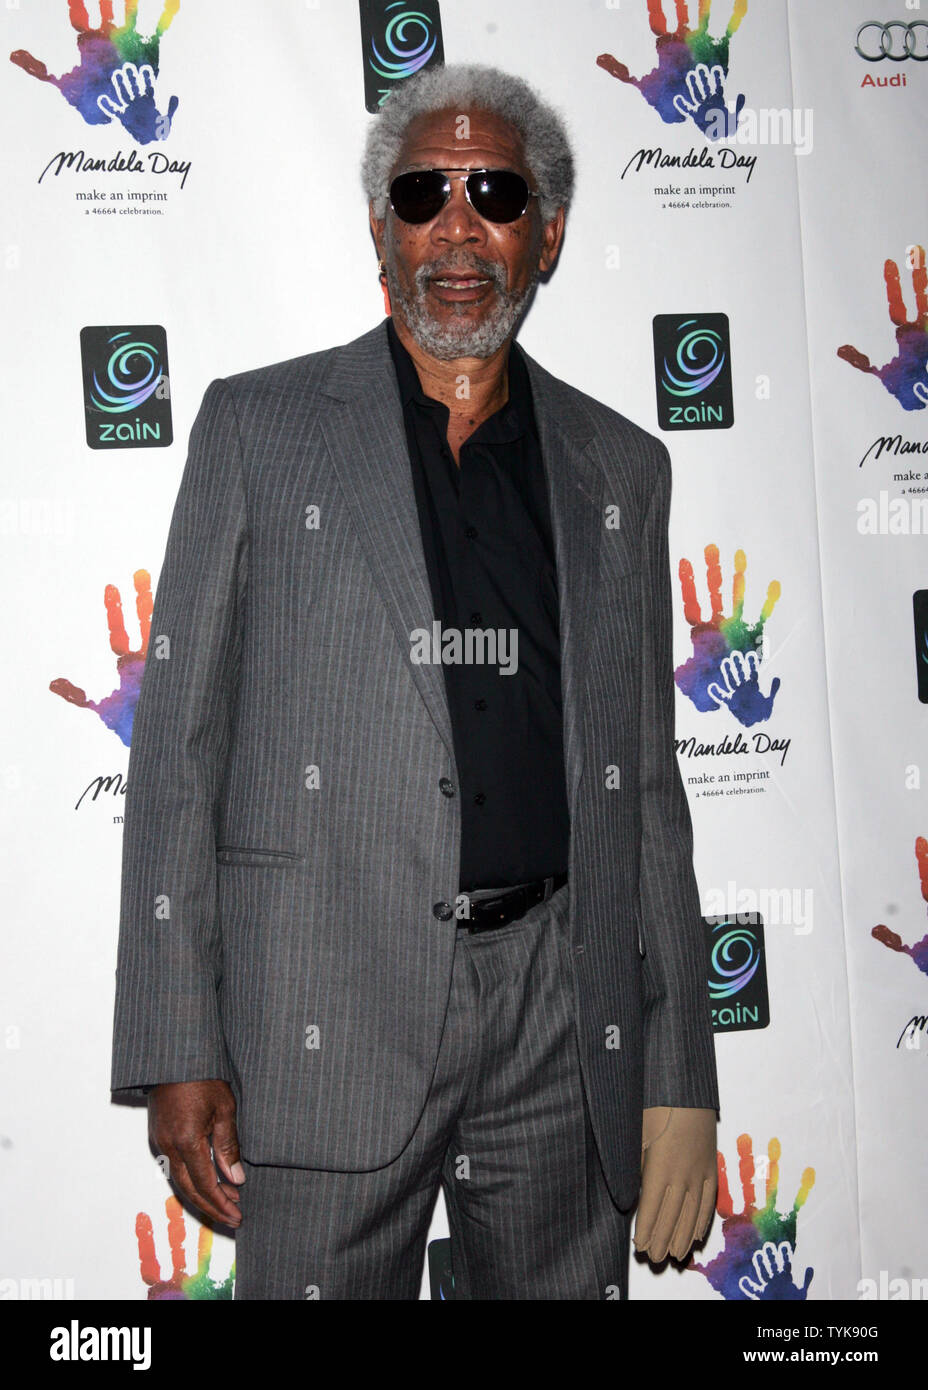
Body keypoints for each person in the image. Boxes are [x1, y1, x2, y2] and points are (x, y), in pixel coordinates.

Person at [111, 61, 720, 1301]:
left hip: (557, 1016)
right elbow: (176, 753)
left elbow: (644, 790)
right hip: (319, 1006)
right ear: (380, 229)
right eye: (420, 192)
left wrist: (678, 1072)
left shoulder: (622, 470)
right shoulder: (257, 430)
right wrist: (179, 1043)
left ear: (544, 235)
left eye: (493, 192)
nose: (456, 225)